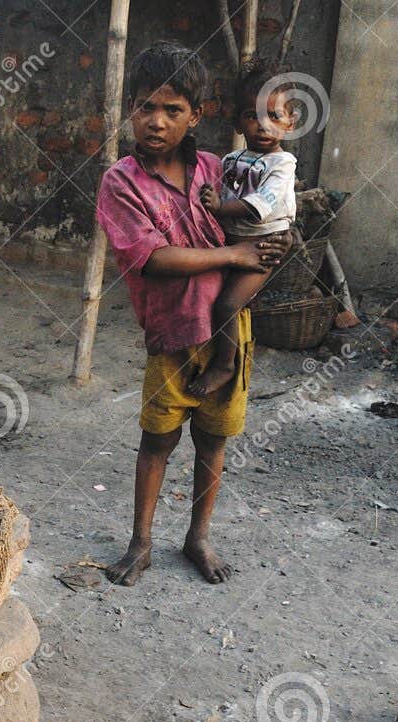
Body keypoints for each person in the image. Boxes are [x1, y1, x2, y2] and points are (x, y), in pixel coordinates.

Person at [96, 43, 290, 586]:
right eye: (144, 107)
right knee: (157, 439)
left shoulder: (216, 169)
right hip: (172, 335)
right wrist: (232, 255)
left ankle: (197, 536)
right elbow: (154, 259)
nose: (155, 122)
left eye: (173, 110)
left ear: (197, 115)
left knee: (214, 440)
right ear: (130, 107)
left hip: (228, 329)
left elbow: (260, 226)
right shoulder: (121, 182)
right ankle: (140, 542)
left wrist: (275, 246)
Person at [191, 63, 299, 399]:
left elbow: (257, 204)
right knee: (208, 298)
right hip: (232, 243)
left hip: (262, 248)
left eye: (274, 116)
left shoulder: (282, 164)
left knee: (227, 305)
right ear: (238, 120)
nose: (263, 125)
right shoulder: (231, 159)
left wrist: (219, 207)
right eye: (253, 116)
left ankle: (225, 365)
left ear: (290, 123)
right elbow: (217, 191)